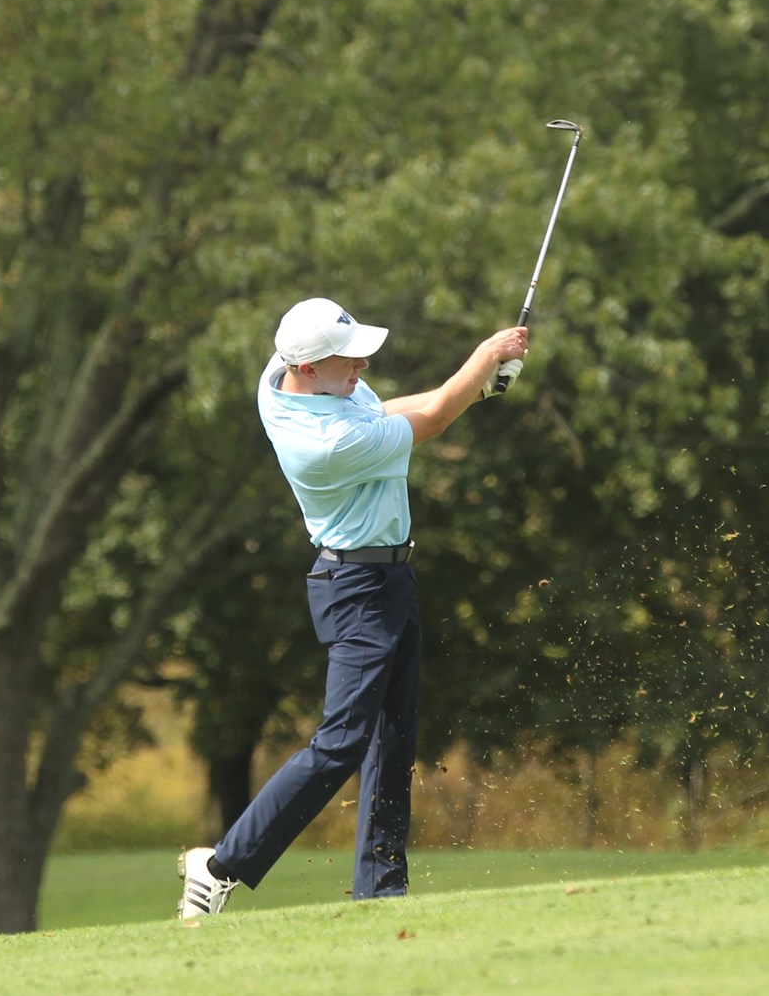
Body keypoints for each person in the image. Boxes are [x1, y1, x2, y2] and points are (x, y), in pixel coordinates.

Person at [177, 297, 529, 917]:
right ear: (309, 369)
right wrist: (482, 361)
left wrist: (477, 388)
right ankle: (222, 863)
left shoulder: (294, 380)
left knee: (393, 736)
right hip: (357, 589)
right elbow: (433, 417)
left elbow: (396, 409)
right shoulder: (325, 442)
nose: (364, 363)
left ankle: (381, 889)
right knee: (342, 740)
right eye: (349, 357)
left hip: (390, 579)